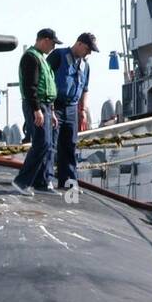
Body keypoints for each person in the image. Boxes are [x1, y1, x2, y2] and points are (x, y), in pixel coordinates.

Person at [11, 29, 62, 195]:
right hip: (37, 106)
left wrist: (52, 111)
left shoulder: (42, 59)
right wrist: (36, 110)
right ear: (45, 40)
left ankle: (41, 182)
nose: (53, 47)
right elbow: (30, 87)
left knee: (47, 145)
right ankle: (21, 181)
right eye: (53, 43)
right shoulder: (31, 58)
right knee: (42, 143)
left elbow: (48, 86)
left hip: (46, 106)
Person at [47, 32, 96, 191]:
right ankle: (46, 179)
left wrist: (83, 109)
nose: (88, 53)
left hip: (72, 108)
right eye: (88, 49)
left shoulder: (85, 65)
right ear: (79, 44)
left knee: (70, 145)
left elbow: (85, 89)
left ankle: (68, 181)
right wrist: (50, 107)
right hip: (56, 105)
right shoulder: (58, 56)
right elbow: (45, 79)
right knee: (51, 143)